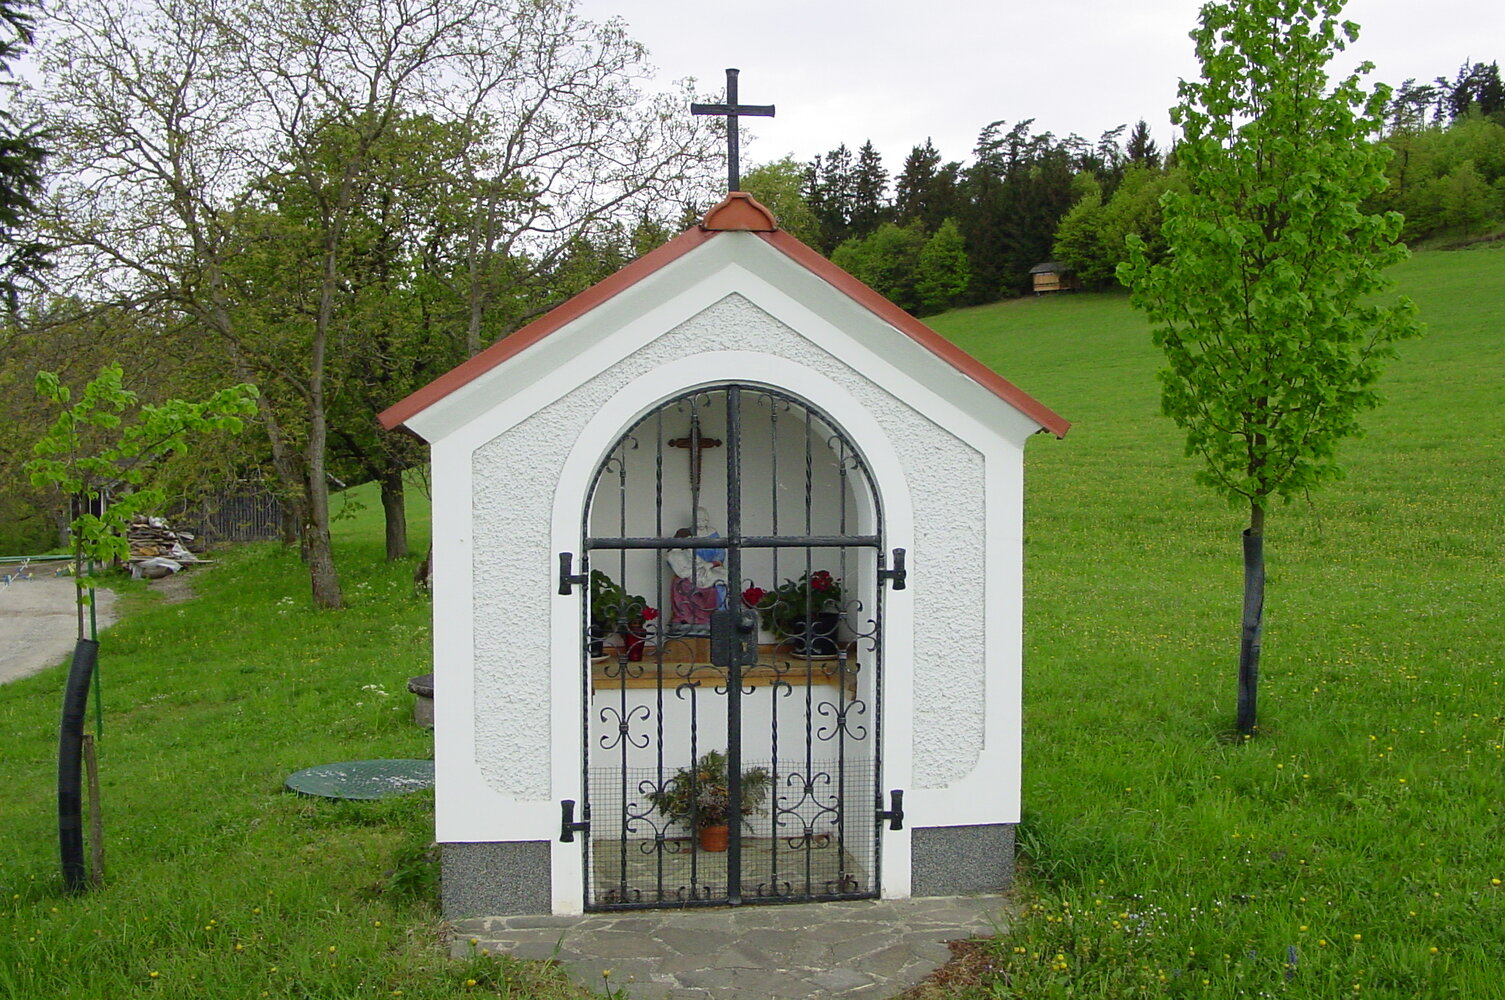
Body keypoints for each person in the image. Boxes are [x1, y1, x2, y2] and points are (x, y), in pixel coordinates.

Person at [666, 507, 727, 625]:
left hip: (710, 566)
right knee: (682, 583)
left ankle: (721, 616)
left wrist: (710, 564)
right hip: (693, 571)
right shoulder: (687, 536)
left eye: (704, 521)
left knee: (722, 579)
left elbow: (719, 554)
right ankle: (691, 617)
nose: (701, 524)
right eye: (698, 521)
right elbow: (680, 563)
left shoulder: (713, 534)